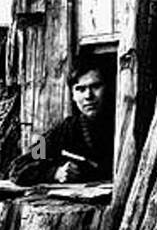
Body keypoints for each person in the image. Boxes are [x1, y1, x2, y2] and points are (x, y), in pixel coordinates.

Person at [9, 53, 115, 185]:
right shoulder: (63, 131)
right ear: (73, 96)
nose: (88, 96)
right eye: (80, 89)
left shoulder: (123, 126)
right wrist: (55, 173)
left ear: (110, 88)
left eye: (95, 86)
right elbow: (19, 167)